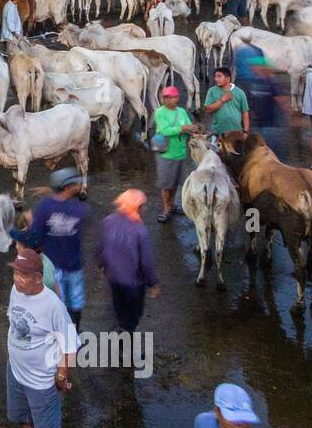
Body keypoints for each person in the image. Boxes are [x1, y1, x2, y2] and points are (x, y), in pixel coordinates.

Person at [4, 248, 76, 428]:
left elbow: (69, 346)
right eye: (14, 273)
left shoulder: (53, 305)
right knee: (23, 420)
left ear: (37, 277)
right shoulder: (15, 292)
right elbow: (14, 323)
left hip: (41, 382)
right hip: (16, 372)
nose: (16, 279)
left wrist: (60, 374)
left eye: (22, 275)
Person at [25, 168, 88, 328]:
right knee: (76, 304)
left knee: (54, 305)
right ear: (67, 188)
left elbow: (34, 238)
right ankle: (74, 336)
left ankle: (58, 338)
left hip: (52, 268)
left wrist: (30, 220)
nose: (79, 186)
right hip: (74, 266)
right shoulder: (79, 210)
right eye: (76, 184)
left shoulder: (44, 207)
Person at [98, 189, 159, 332]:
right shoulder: (140, 230)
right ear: (137, 207)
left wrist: (102, 265)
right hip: (134, 283)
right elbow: (146, 261)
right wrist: (153, 283)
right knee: (133, 317)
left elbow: (101, 246)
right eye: (143, 205)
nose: (146, 208)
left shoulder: (108, 221)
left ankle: (121, 334)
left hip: (114, 278)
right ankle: (125, 349)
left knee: (120, 311)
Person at [152, 85, 197, 221]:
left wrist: (194, 131)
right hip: (166, 154)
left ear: (177, 98)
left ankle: (172, 204)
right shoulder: (160, 112)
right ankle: (166, 209)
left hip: (181, 153)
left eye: (170, 97)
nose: (167, 99)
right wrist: (183, 128)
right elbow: (163, 131)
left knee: (175, 182)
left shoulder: (182, 112)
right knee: (166, 184)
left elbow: (189, 127)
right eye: (165, 97)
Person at [203, 67, 249, 136]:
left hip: (236, 133)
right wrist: (222, 100)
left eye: (219, 77)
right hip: (217, 133)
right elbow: (208, 110)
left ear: (227, 79)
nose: (216, 79)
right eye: (215, 76)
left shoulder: (240, 92)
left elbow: (245, 114)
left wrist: (246, 132)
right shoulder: (212, 91)